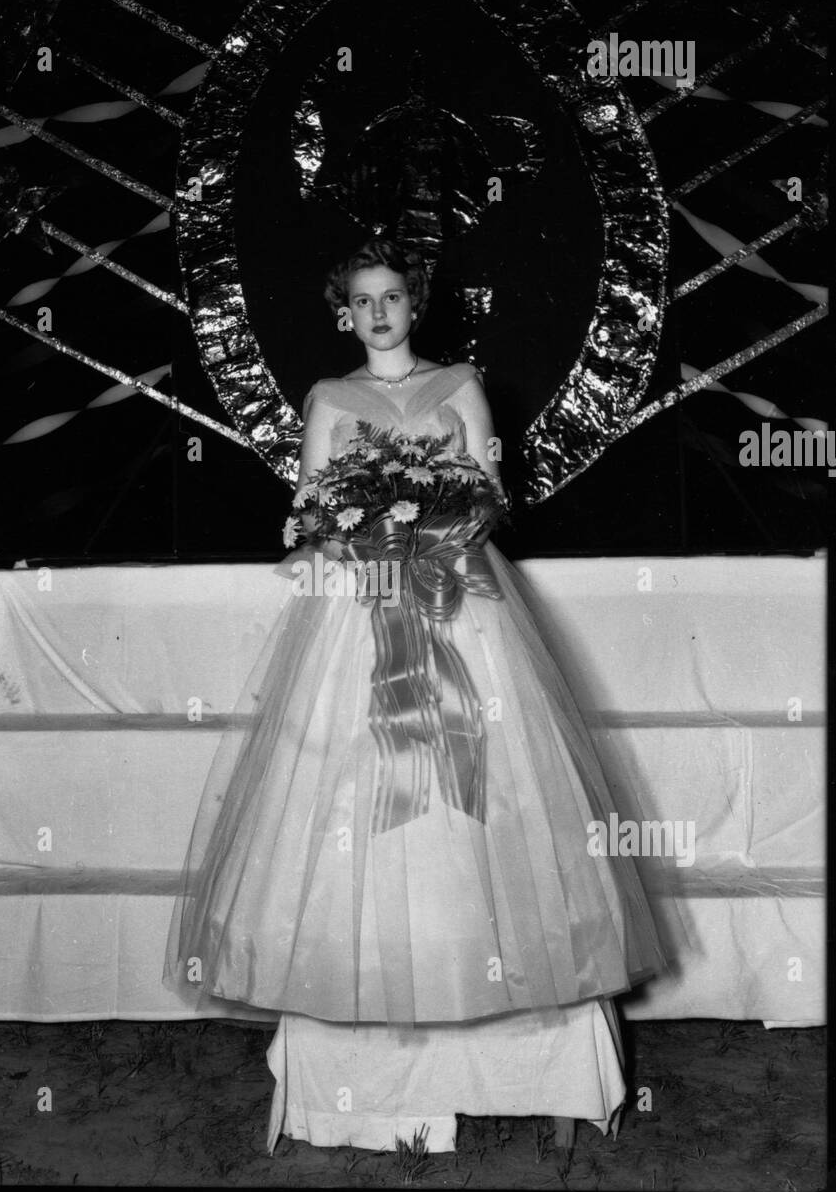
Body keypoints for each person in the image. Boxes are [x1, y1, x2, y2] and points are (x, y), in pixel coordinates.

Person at [164, 235, 672, 1032]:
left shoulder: (460, 383)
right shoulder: (329, 397)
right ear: (343, 315)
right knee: (349, 757)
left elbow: (490, 489)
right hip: (358, 602)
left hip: (453, 589)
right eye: (361, 300)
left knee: (482, 751)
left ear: (414, 303)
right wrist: (340, 535)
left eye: (392, 297)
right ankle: (353, 964)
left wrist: (439, 522)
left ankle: (493, 954)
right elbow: (304, 506)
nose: (378, 312)